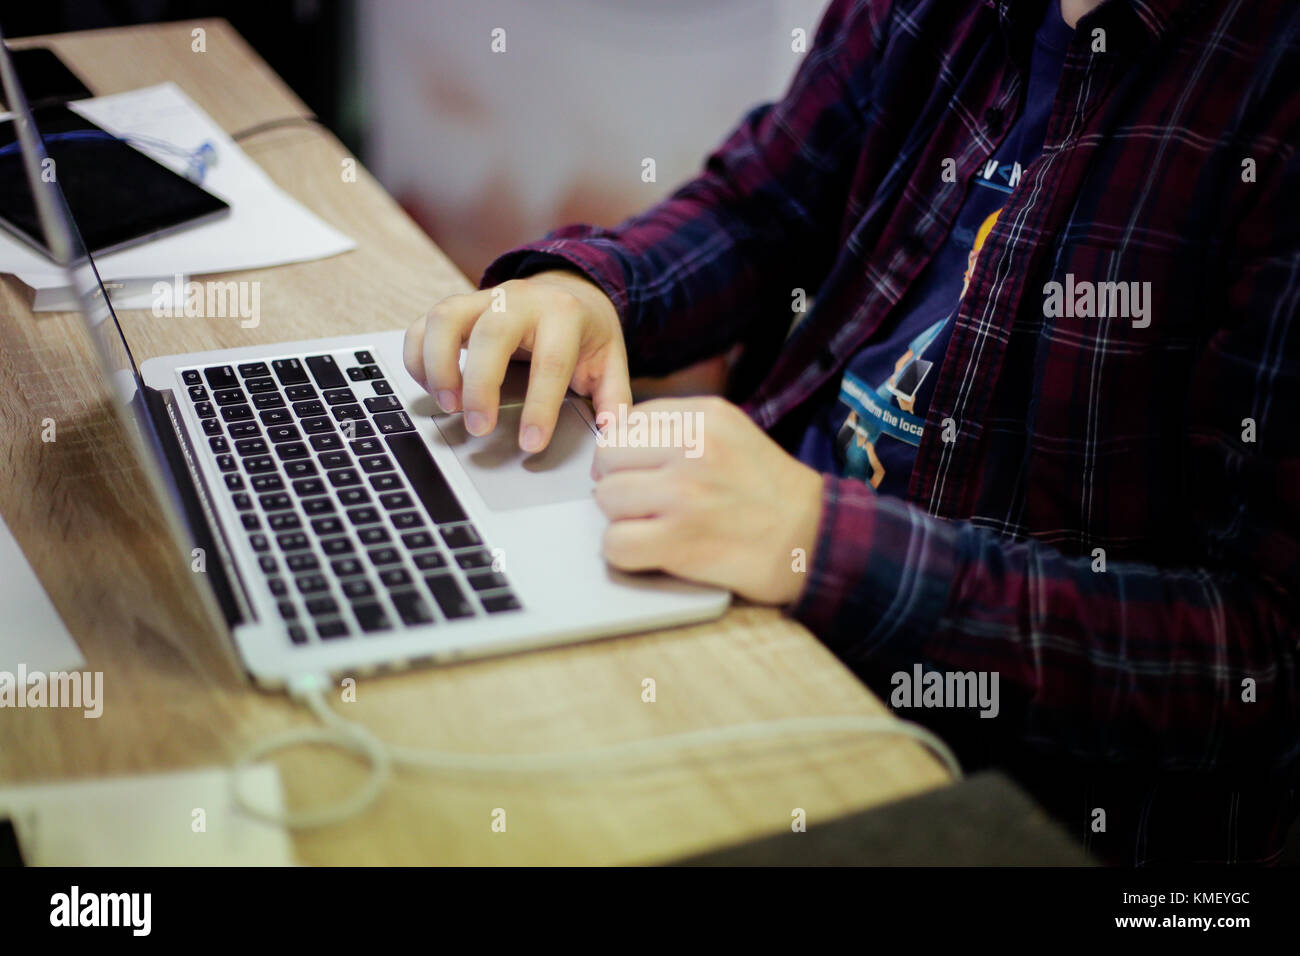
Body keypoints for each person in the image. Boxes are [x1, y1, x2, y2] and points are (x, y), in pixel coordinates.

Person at [404, 0, 1300, 865]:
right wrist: (596, 293)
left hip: (997, 794)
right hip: (747, 602)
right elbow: (763, 207)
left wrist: (818, 540)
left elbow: (1264, 654)